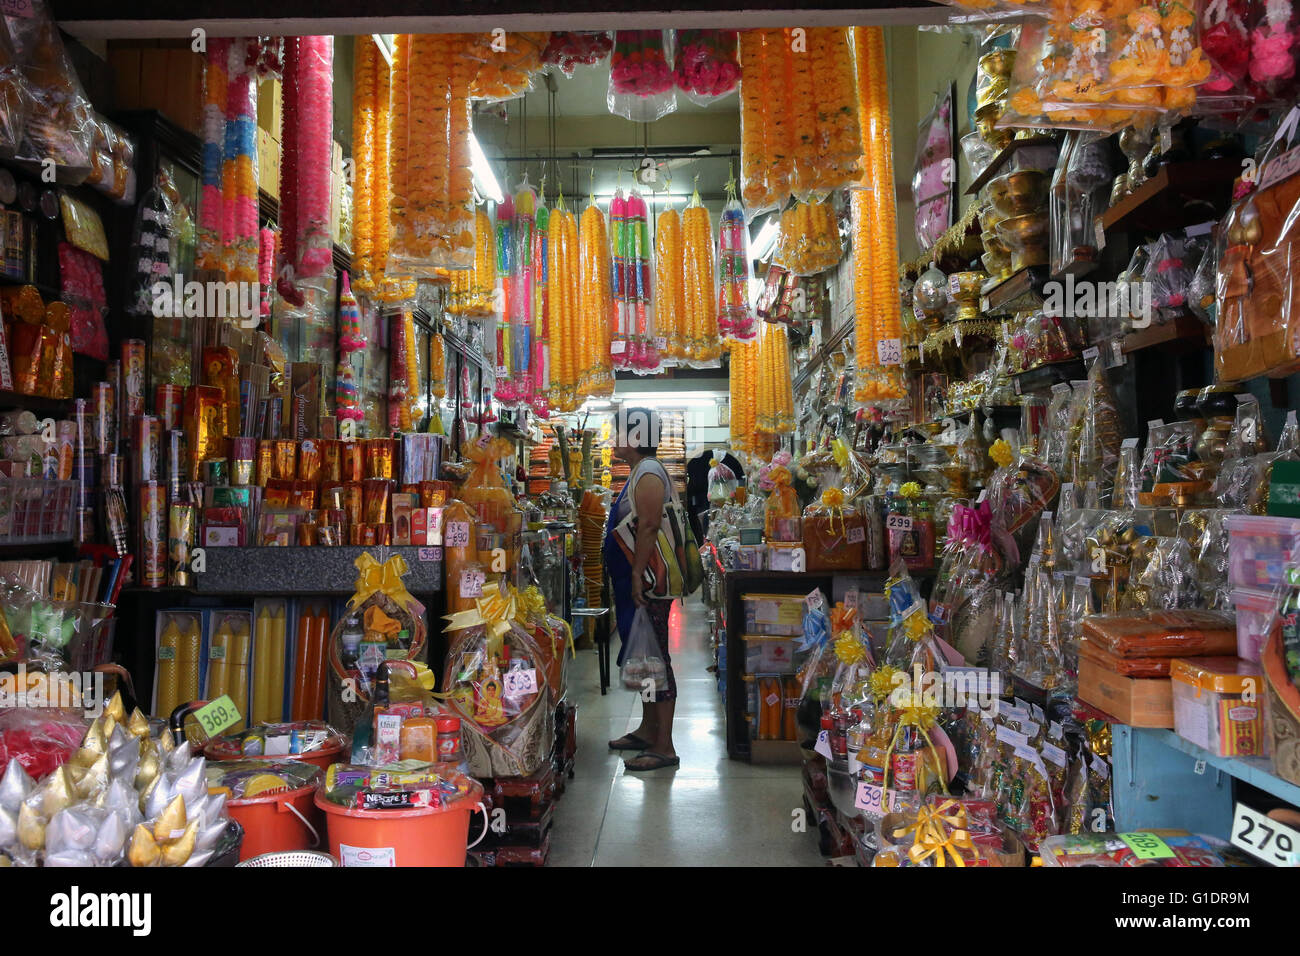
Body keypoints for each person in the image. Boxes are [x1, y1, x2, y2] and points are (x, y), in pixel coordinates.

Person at [603, 407, 681, 771]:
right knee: (648, 660)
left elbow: (649, 525)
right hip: (637, 583)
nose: (614, 438)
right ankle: (648, 730)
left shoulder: (648, 472)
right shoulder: (639, 471)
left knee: (657, 661)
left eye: (619, 432)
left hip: (648, 582)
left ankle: (664, 746)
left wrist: (636, 575)